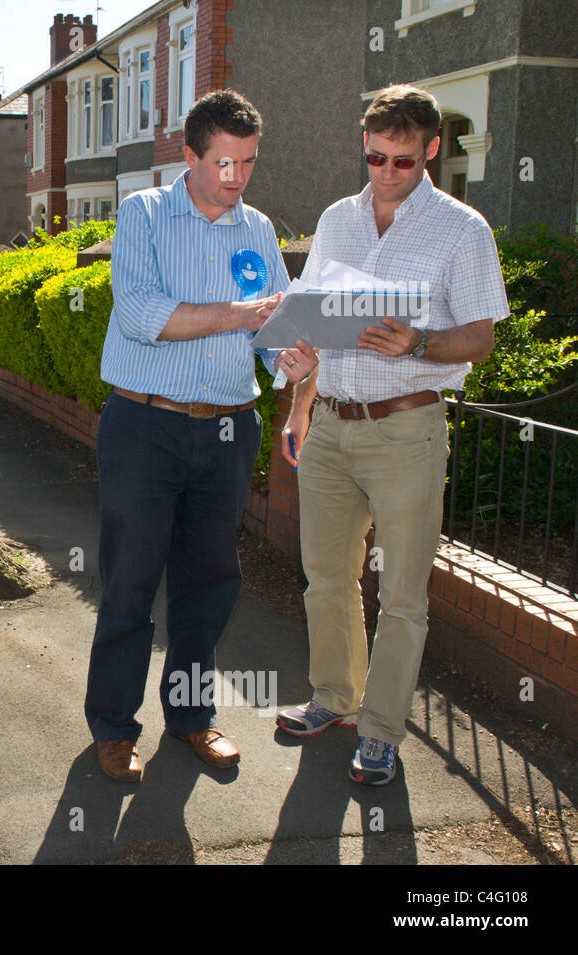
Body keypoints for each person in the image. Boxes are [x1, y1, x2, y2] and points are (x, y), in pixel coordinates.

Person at [275, 85, 507, 785]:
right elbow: (309, 319)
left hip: (408, 426)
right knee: (326, 577)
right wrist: (298, 392)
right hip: (332, 426)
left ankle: (380, 732)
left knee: (402, 592)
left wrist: (418, 342)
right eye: (374, 156)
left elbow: (482, 338)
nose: (384, 171)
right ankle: (333, 698)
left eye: (401, 160)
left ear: (431, 149)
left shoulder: (463, 229)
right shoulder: (337, 220)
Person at [86, 90, 309, 781]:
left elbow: (271, 334)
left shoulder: (260, 229)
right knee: (130, 580)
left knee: (209, 583)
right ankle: (115, 727)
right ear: (189, 156)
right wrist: (241, 316)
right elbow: (142, 314)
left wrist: (291, 360)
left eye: (247, 162)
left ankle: (191, 718)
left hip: (227, 431)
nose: (235, 177)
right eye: (222, 161)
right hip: (144, 424)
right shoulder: (144, 215)